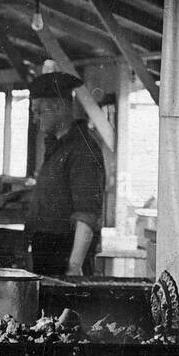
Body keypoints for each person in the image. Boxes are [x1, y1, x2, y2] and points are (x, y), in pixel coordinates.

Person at [25, 70, 106, 277]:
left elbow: (87, 215)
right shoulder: (57, 146)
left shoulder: (82, 150)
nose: (35, 119)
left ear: (59, 107)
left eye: (38, 111)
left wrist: (74, 266)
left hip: (65, 257)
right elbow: (53, 193)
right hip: (48, 253)